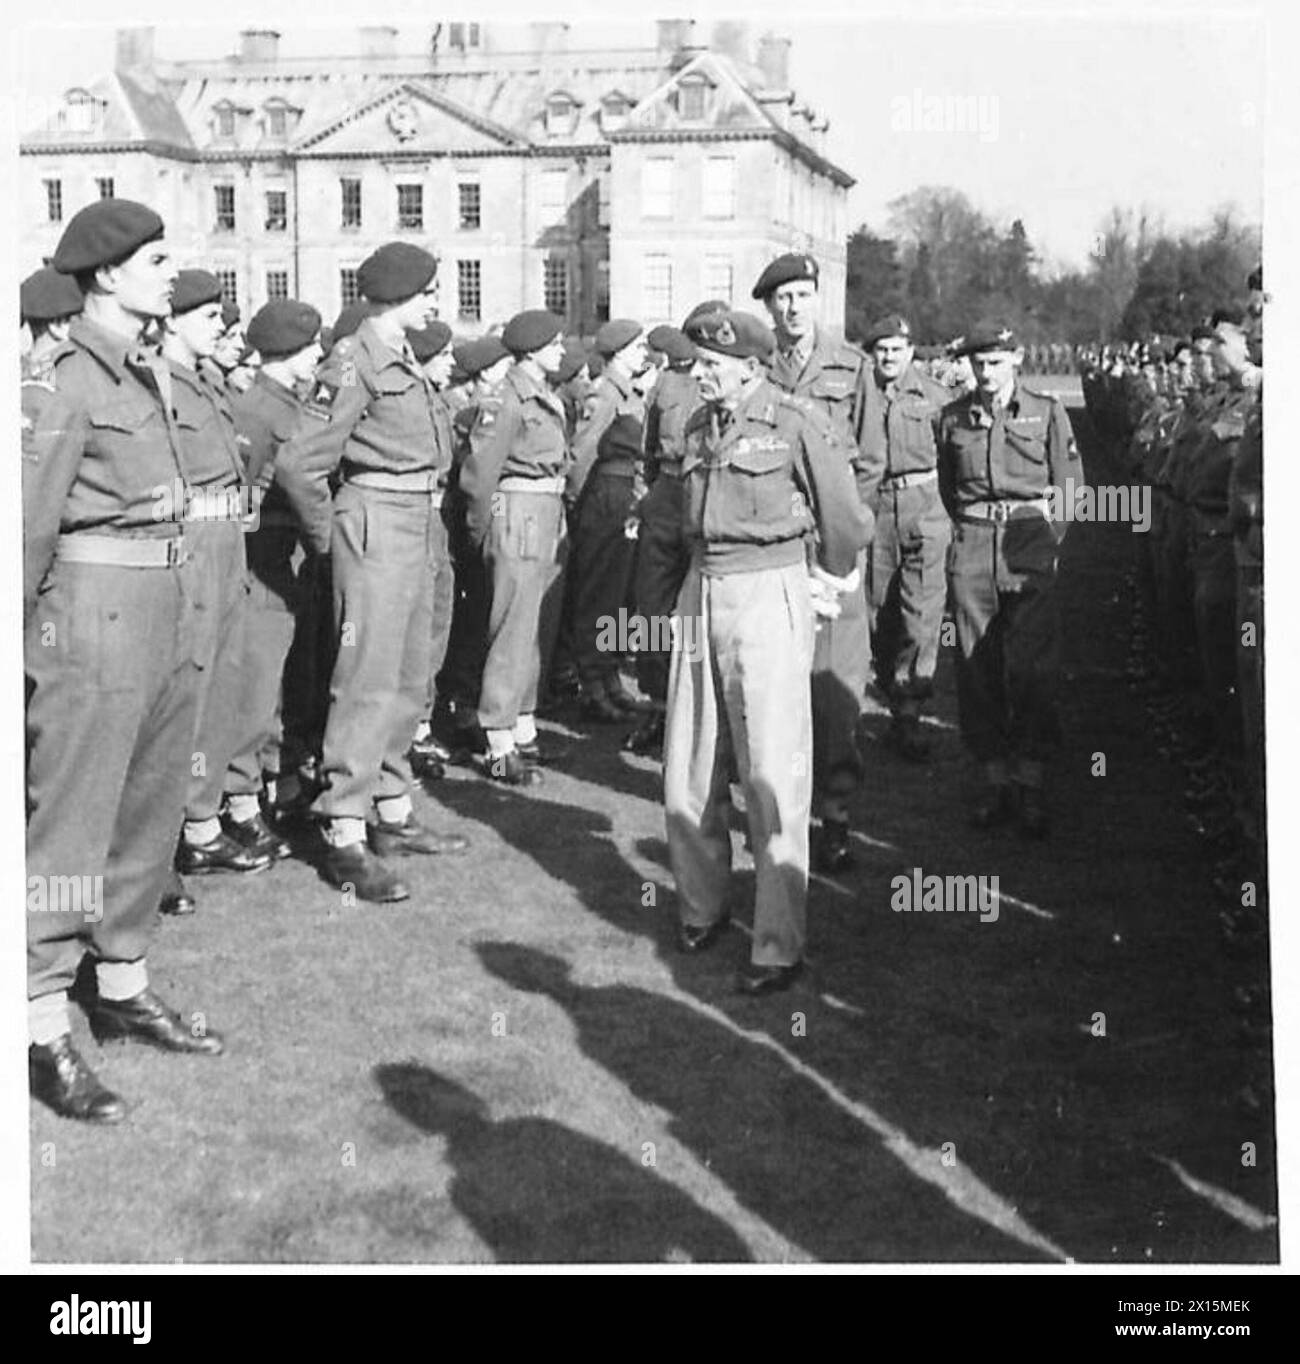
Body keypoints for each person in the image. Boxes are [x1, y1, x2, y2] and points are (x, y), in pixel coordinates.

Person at [25, 199, 225, 1124]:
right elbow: (25, 529)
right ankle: (37, 1026)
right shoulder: (64, 378)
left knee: (149, 808)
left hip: (166, 604)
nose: (169, 270)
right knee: (73, 820)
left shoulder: (153, 368)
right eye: (157, 257)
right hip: (93, 617)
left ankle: (122, 983)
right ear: (107, 275)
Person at [665, 309, 872, 994]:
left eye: (714, 365)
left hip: (768, 588)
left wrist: (822, 578)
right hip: (704, 588)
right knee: (691, 762)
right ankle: (702, 908)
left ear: (751, 368)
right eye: (698, 362)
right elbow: (680, 512)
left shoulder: (794, 421)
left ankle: (778, 945)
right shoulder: (699, 426)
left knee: (772, 769)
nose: (702, 374)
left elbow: (844, 517)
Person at [277, 242, 470, 904]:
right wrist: (335, 539)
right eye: (430, 291)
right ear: (401, 296)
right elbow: (302, 463)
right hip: (376, 520)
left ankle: (391, 808)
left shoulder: (402, 357)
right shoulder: (354, 361)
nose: (438, 302)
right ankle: (344, 828)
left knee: (411, 672)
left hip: (418, 517)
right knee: (365, 679)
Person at [936, 323, 1083, 837]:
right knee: (977, 667)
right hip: (974, 543)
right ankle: (995, 780)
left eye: (996, 361)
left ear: (1016, 359)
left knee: (1033, 668)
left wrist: (1048, 542)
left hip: (1028, 544)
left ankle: (1032, 781)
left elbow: (1069, 486)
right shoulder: (954, 417)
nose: (987, 371)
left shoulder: (1046, 411)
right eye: (978, 362)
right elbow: (948, 488)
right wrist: (973, 532)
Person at [753, 252, 873, 872]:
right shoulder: (755, 367)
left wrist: (843, 552)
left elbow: (870, 465)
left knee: (834, 690)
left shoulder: (852, 369)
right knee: (776, 686)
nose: (792, 307)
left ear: (816, 300)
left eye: (802, 295)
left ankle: (837, 815)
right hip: (773, 549)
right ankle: (779, 812)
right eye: (781, 298)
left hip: (833, 555)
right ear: (768, 307)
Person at [162, 270, 276, 884]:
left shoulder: (204, 382)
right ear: (173, 320)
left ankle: (204, 823)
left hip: (227, 542)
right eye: (207, 318)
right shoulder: (159, 381)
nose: (221, 329)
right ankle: (181, 829)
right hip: (194, 547)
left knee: (224, 684)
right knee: (192, 686)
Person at [223, 298, 325, 834]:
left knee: (293, 680)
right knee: (257, 690)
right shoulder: (256, 411)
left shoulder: (291, 403)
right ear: (286, 352)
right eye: (310, 349)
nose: (317, 358)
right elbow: (238, 494)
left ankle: (280, 785)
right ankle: (241, 802)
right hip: (263, 559)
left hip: (294, 561)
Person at [458, 310, 570, 783]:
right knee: (510, 630)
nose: (562, 351)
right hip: (518, 511)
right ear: (533, 348)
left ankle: (523, 725)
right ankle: (498, 739)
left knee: (534, 627)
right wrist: (480, 530)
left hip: (545, 510)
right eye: (555, 343)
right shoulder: (506, 398)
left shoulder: (542, 394)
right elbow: (481, 473)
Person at [854, 314, 953, 761]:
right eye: (881, 350)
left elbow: (955, 457)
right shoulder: (861, 396)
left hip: (924, 507)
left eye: (897, 349)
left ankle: (909, 710)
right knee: (876, 611)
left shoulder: (936, 398)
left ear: (911, 352)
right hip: (876, 509)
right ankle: (890, 694)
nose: (889, 357)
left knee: (922, 610)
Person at [624, 317, 710, 756]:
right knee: (653, 608)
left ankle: (702, 714)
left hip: (709, 497)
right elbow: (646, 451)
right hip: (667, 495)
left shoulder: (731, 383)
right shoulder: (667, 385)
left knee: (700, 611)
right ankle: (658, 706)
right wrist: (644, 501)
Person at [566, 319, 651, 721]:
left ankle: (610, 675)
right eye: (636, 350)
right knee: (597, 594)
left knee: (617, 597)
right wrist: (579, 509)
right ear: (617, 354)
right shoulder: (604, 396)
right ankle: (592, 683)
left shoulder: (628, 392)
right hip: (603, 499)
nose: (644, 356)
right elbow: (582, 456)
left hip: (623, 499)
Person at [435, 335, 514, 755]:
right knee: (455, 621)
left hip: (466, 523)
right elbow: (470, 478)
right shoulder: (465, 409)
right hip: (454, 524)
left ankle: (462, 706)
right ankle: (452, 711)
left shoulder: (482, 407)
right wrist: (473, 532)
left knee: (472, 621)